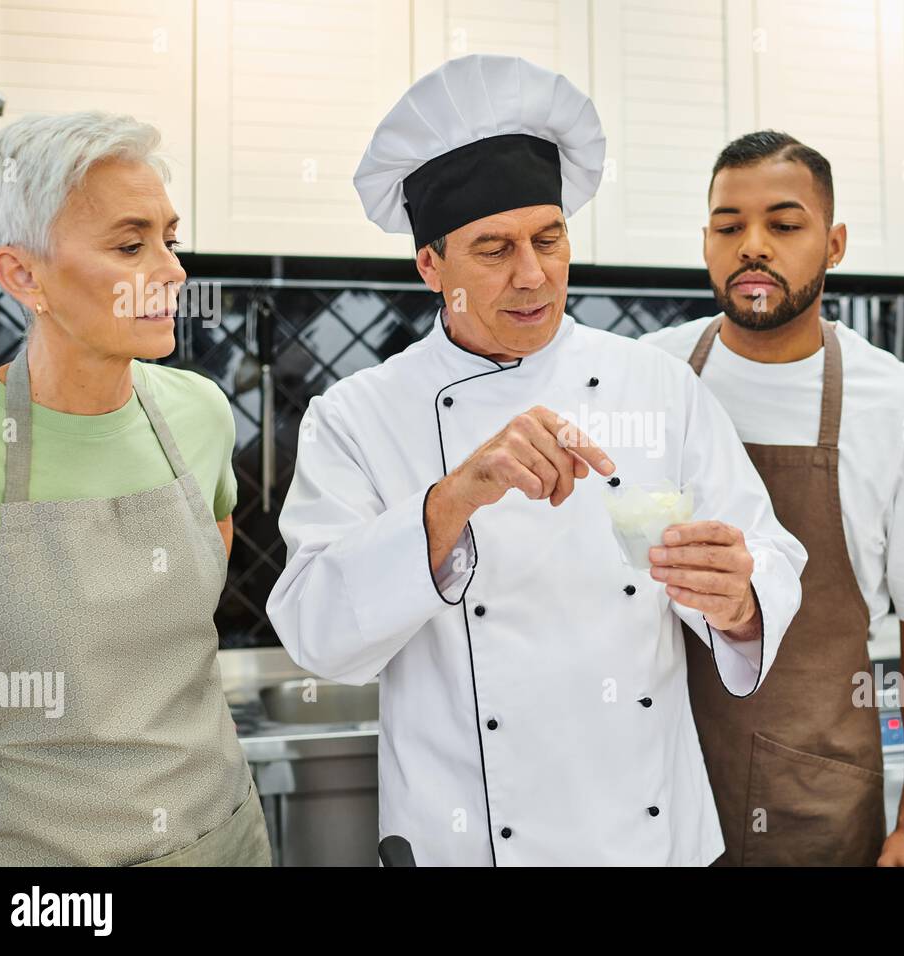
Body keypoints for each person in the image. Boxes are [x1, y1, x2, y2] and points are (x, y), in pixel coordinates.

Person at [266, 56, 806, 866]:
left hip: (647, 838)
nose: (533, 274)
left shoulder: (653, 384)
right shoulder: (356, 417)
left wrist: (740, 599)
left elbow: (766, 551)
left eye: (549, 239)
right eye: (493, 249)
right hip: (469, 841)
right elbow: (315, 633)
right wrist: (453, 498)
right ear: (430, 268)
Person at [639, 131, 904, 866]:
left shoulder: (900, 408)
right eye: (729, 226)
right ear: (705, 240)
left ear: (834, 243)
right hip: (647, 786)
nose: (752, 246)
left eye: (784, 223)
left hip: (813, 800)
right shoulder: (645, 379)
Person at [0, 111, 270, 865]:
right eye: (132, 245)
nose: (172, 270)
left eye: (170, 237)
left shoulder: (198, 414)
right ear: (20, 274)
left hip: (221, 837)